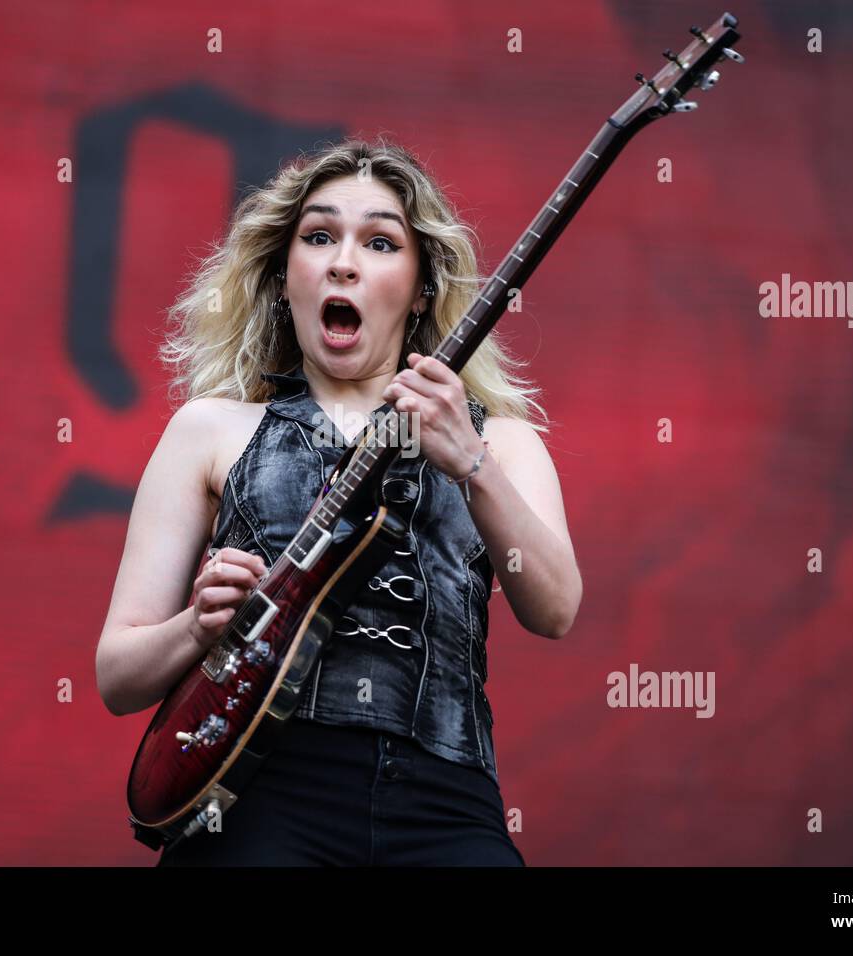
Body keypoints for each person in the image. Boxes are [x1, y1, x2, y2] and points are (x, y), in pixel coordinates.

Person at [95, 137, 582, 866]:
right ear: (285, 277)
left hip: (445, 802)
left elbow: (557, 610)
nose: (343, 261)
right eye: (318, 237)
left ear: (421, 288)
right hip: (264, 797)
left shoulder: (501, 442)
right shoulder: (211, 430)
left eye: (381, 242)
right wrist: (199, 624)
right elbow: (117, 677)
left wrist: (469, 461)